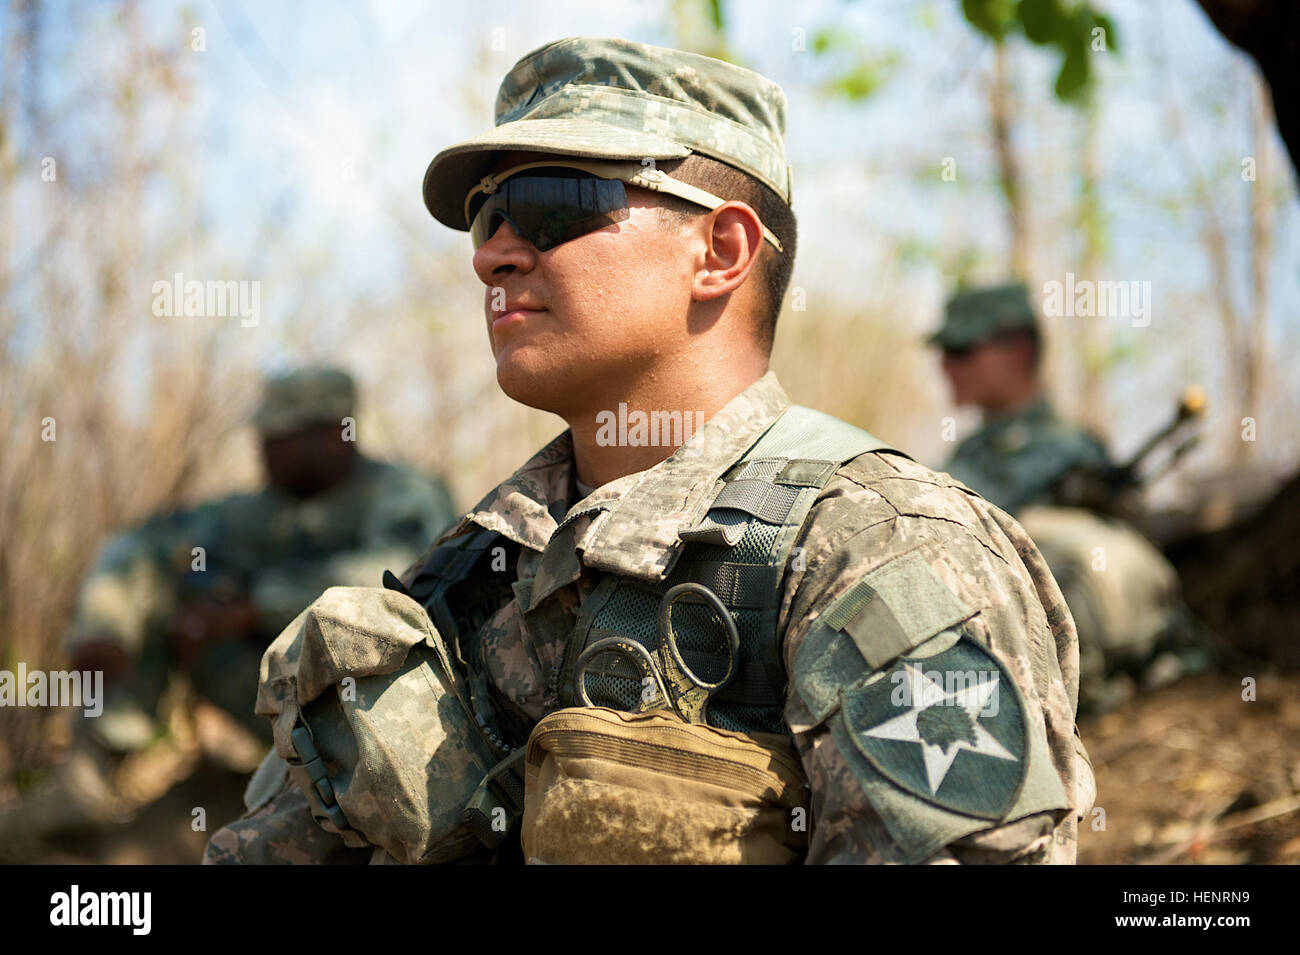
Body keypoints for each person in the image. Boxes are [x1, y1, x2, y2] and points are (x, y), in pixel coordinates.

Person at [206, 37, 1093, 865]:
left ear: (720, 249)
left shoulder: (879, 551)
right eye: (487, 218)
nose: (493, 258)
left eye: (554, 205)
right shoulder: (467, 575)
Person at [12, 366, 457, 840]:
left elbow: (392, 578)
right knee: (173, 597)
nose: (262, 449)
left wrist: (252, 607)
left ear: (332, 434)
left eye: (277, 437)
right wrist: (106, 622)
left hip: (384, 714)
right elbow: (151, 544)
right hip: (280, 699)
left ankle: (326, 795)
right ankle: (91, 774)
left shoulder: (403, 494)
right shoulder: (253, 512)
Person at [931, 284, 1204, 713]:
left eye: (961, 348)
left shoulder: (1067, 447)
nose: (945, 364)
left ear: (1018, 351)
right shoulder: (968, 453)